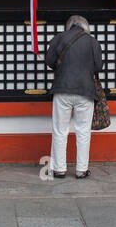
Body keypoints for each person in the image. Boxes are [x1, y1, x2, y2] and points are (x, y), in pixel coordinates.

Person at [44, 14, 103, 180]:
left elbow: (49, 61)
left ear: (69, 26)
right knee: (83, 131)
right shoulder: (92, 41)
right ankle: (81, 170)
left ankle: (59, 169)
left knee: (60, 130)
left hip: (62, 89)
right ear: (85, 26)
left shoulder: (59, 38)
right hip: (85, 91)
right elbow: (98, 66)